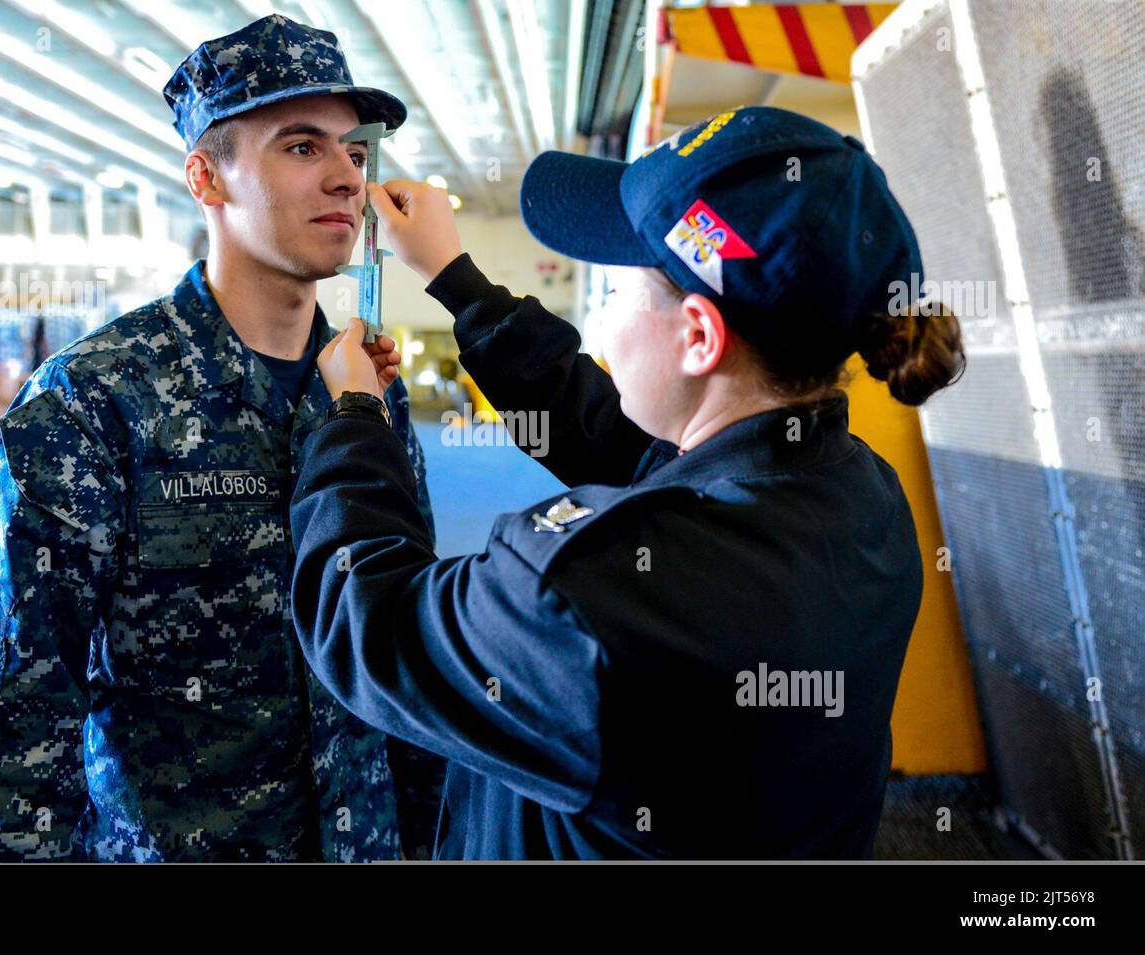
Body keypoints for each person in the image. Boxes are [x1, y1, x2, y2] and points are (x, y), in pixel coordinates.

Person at [290, 106, 966, 859]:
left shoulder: (582, 601)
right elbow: (624, 440)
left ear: (700, 336)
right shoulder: (859, 493)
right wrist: (458, 283)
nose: (606, 321)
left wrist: (352, 414)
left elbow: (362, 623)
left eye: (617, 290)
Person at [0, 14, 442, 863]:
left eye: (355, 150)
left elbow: (400, 650)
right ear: (207, 178)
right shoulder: (92, 404)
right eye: (303, 147)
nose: (347, 177)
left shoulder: (368, 397)